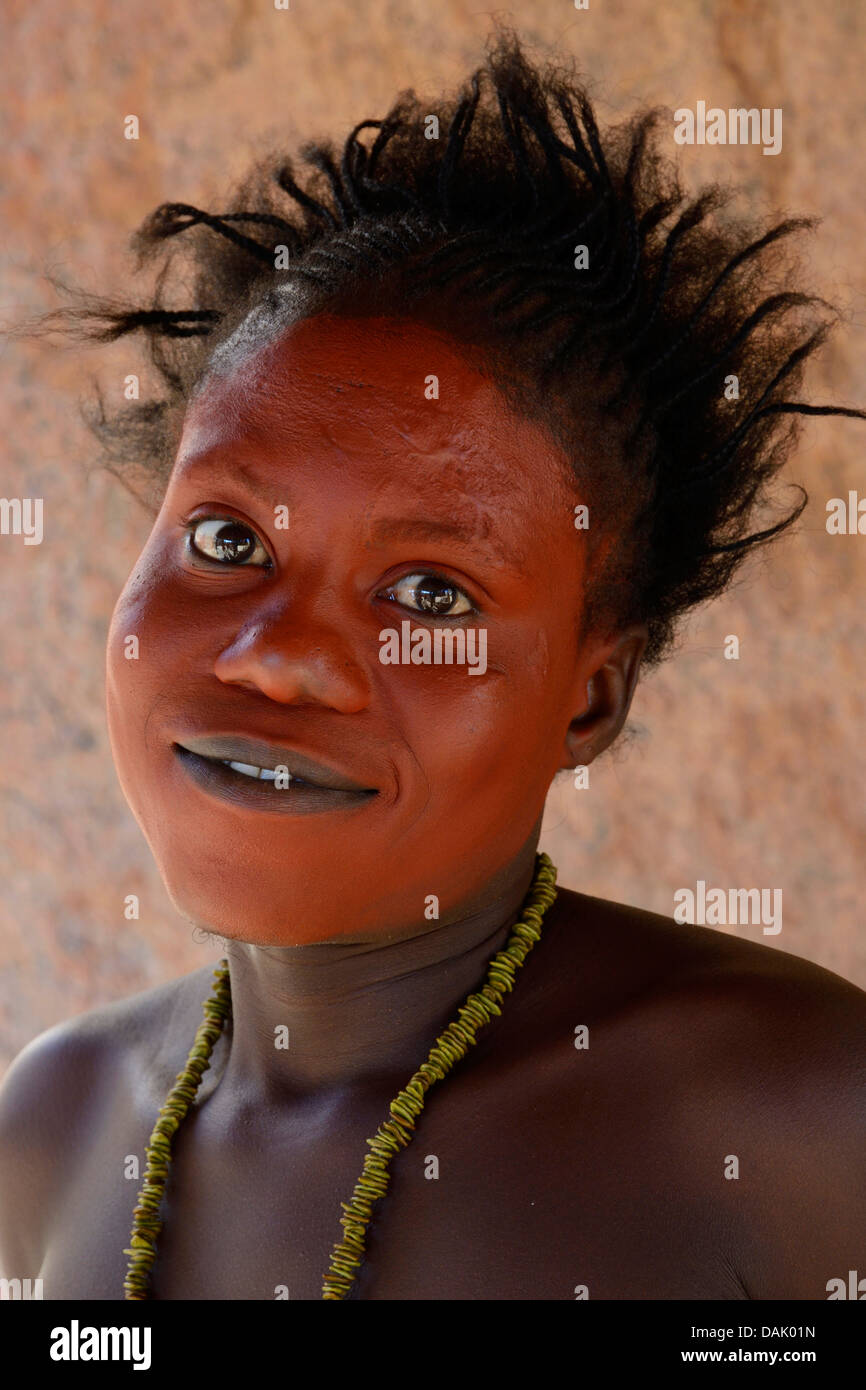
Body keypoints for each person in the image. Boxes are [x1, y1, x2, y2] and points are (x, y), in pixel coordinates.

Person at [1, 26, 864, 1301]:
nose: (283, 658)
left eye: (428, 593)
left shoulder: (787, 1115)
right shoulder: (56, 1129)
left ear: (589, 695)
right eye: (229, 538)